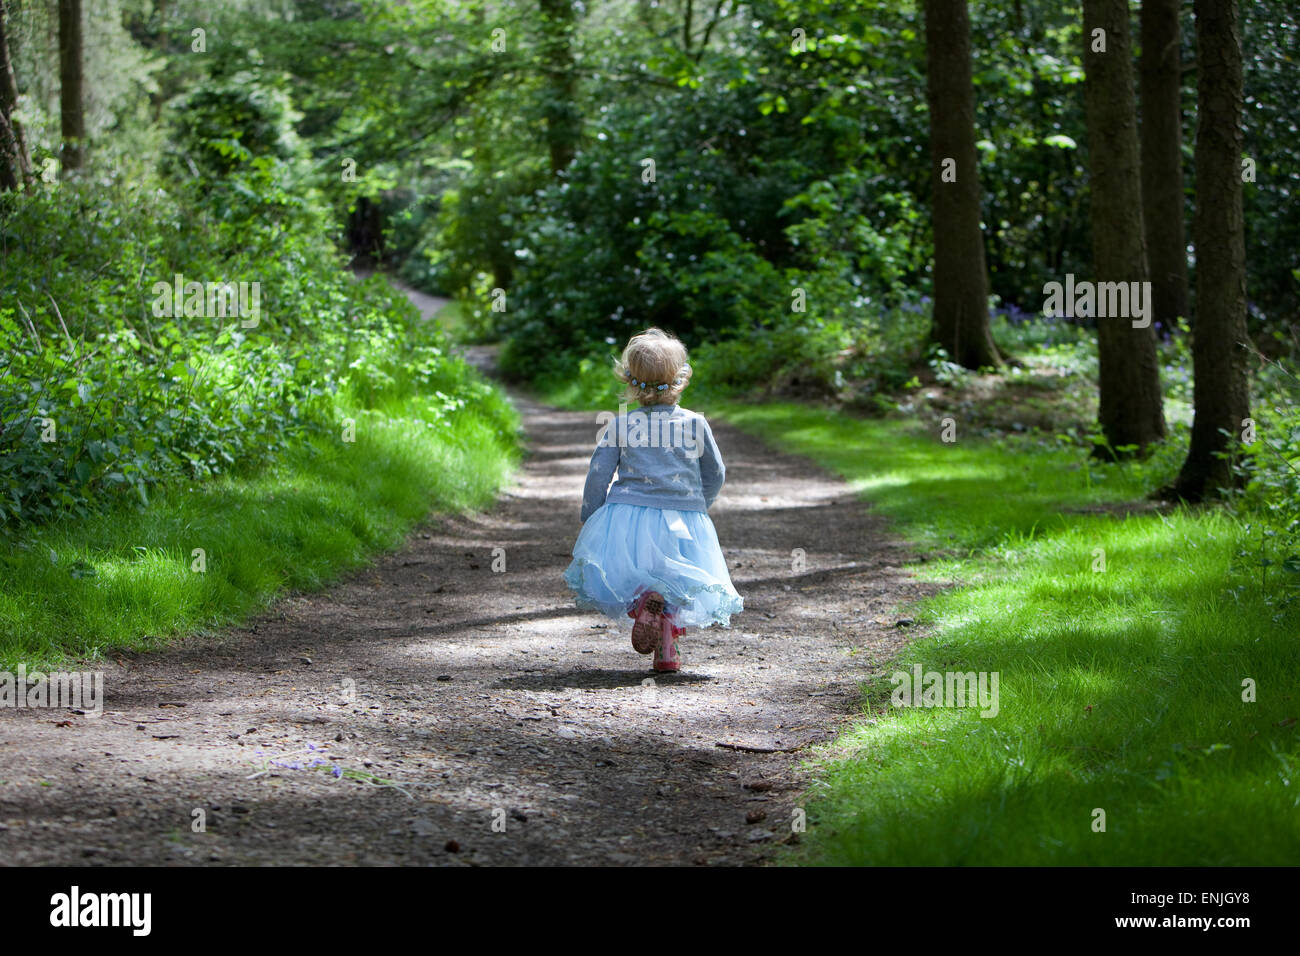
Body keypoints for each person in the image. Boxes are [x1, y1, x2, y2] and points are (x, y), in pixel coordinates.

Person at [563, 328, 743, 671]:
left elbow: (598, 473)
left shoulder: (620, 424)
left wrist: (593, 516)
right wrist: (699, 504)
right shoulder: (695, 423)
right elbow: (716, 471)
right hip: (682, 519)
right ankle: (666, 651)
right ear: (680, 379)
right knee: (677, 577)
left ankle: (650, 610)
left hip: (629, 516)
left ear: (630, 382)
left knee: (641, 576)